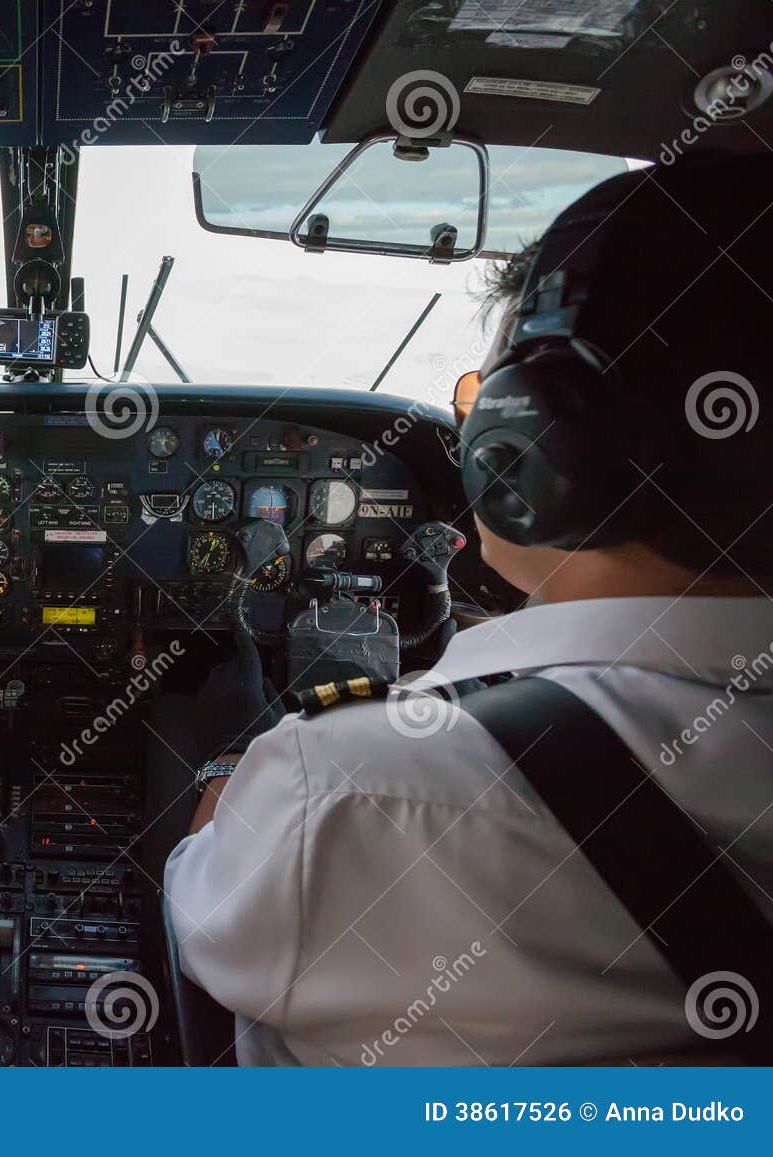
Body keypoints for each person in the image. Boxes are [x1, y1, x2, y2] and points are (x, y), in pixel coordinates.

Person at [160, 155, 773, 1065]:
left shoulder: (347, 788)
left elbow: (199, 912)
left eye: (483, 397)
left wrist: (230, 762)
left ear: (532, 433)